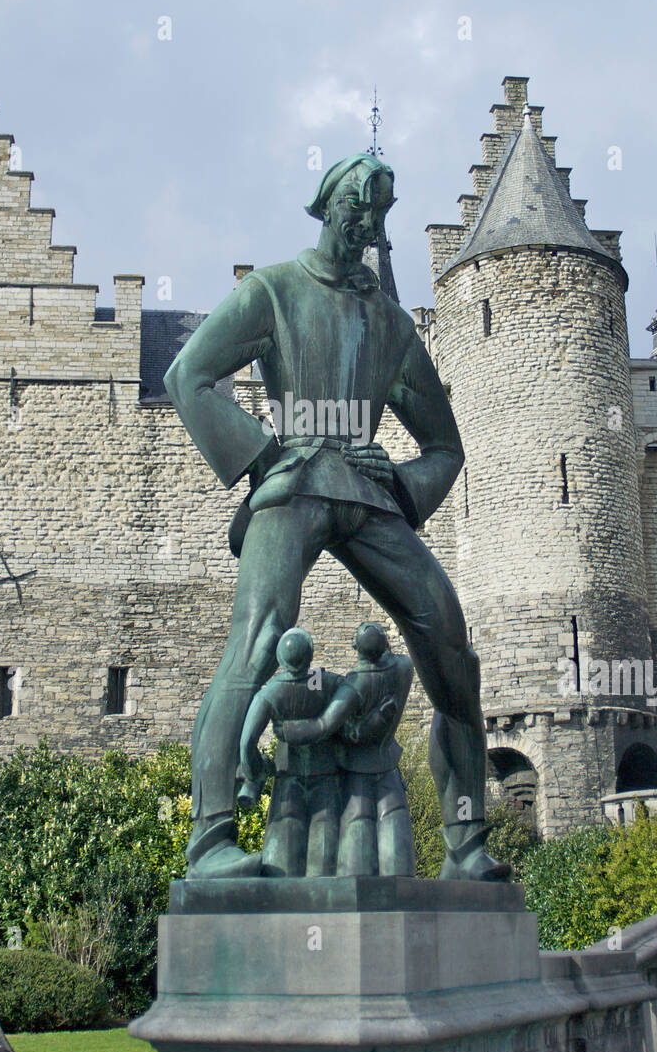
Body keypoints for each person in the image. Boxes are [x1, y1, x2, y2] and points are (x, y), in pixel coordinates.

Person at [165, 152, 509, 881]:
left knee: (450, 647)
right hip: (294, 484)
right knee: (257, 640)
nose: (366, 225)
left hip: (370, 495)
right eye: (355, 208)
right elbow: (187, 376)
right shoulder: (273, 292)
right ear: (326, 208)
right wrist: (262, 457)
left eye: (378, 215)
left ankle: (469, 845)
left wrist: (406, 481)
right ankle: (212, 838)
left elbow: (446, 446)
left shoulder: (390, 324)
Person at [238, 628, 358, 877]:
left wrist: (255, 771)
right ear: (311, 655)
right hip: (325, 777)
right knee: (323, 863)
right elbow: (350, 689)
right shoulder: (321, 682)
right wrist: (326, 723)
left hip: (288, 780)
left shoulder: (271, 693)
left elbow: (247, 742)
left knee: (281, 865)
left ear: (280, 659)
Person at [335, 623, 415, 877]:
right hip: (387, 763)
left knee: (357, 828)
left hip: (357, 769)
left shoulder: (354, 685)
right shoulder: (404, 668)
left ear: (356, 648)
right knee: (394, 821)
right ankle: (400, 894)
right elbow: (394, 657)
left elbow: (341, 730)